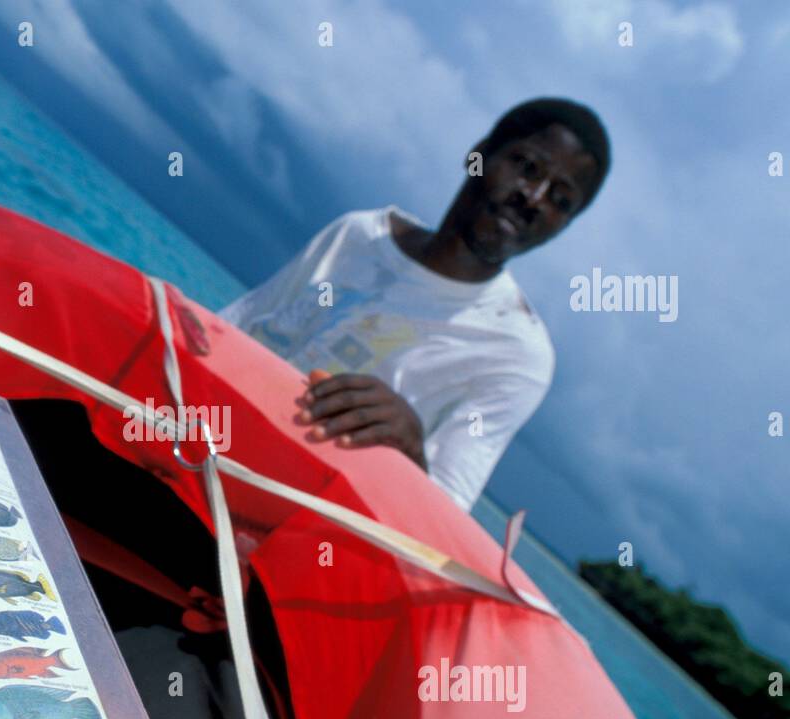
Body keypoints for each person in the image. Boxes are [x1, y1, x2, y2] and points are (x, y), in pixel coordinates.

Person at [219, 98, 611, 510]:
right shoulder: (360, 236)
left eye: (561, 201)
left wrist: (410, 449)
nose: (533, 198)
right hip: (201, 453)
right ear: (477, 155)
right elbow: (232, 329)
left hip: (267, 532)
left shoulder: (516, 354)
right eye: (527, 167)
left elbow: (441, 521)